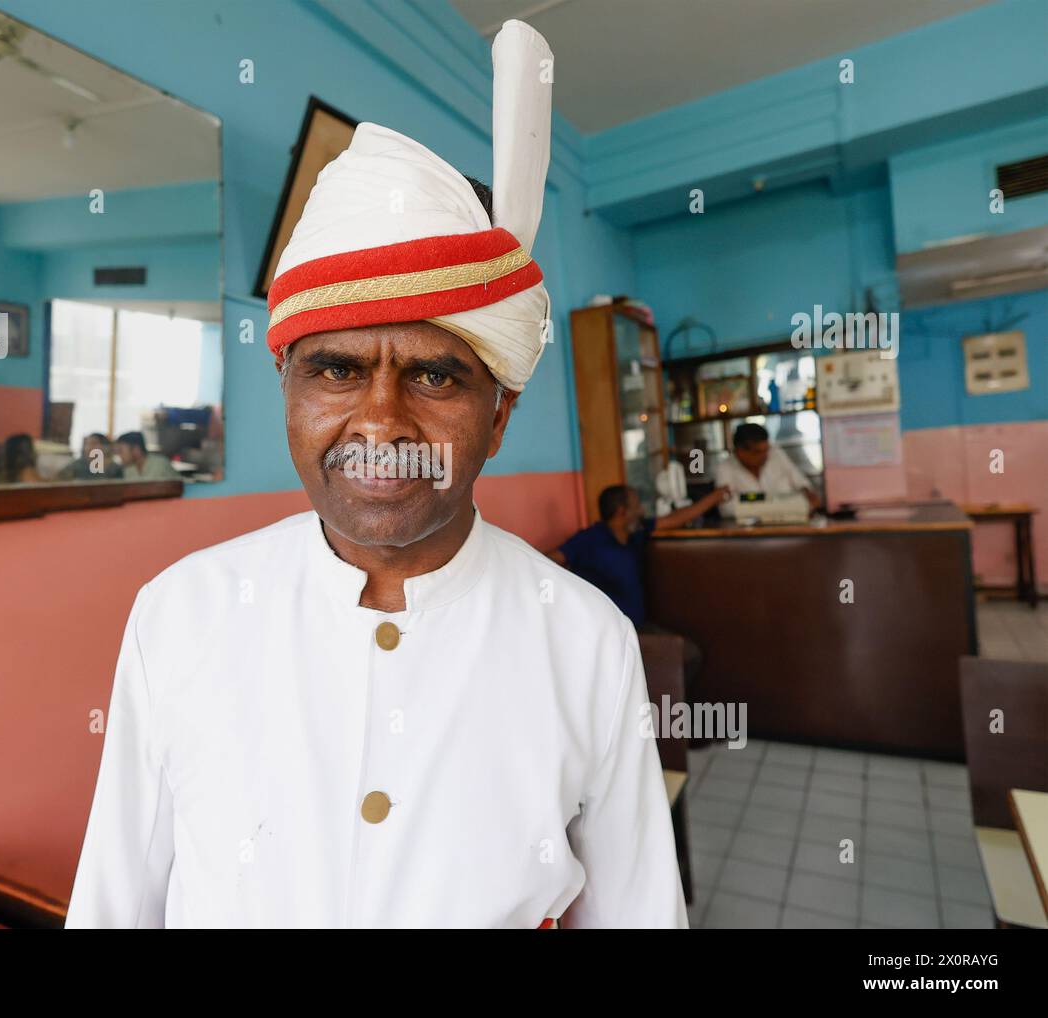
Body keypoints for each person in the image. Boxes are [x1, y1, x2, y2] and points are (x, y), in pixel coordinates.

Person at [66, 21, 685, 929]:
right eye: (337, 369)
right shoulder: (180, 615)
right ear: (288, 390)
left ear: (501, 413)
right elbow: (114, 910)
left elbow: (638, 917)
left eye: (436, 376)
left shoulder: (587, 641)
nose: (383, 421)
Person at [549, 484, 727, 698]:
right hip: (608, 632)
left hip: (639, 628)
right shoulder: (589, 540)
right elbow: (548, 561)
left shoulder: (637, 533)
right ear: (622, 512)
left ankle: (651, 708)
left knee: (689, 655)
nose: (642, 511)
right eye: (637, 506)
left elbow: (678, 518)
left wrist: (716, 497)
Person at [715, 421, 820, 515]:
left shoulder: (776, 455)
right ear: (740, 451)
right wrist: (778, 507)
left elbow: (802, 485)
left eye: (767, 450)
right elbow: (726, 509)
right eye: (758, 452)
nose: (765, 455)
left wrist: (808, 497)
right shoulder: (725, 468)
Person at [59, 433, 123, 481]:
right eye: (87, 444)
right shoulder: (77, 465)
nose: (89, 447)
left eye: (93, 443)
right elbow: (57, 479)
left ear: (105, 447)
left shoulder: (115, 468)